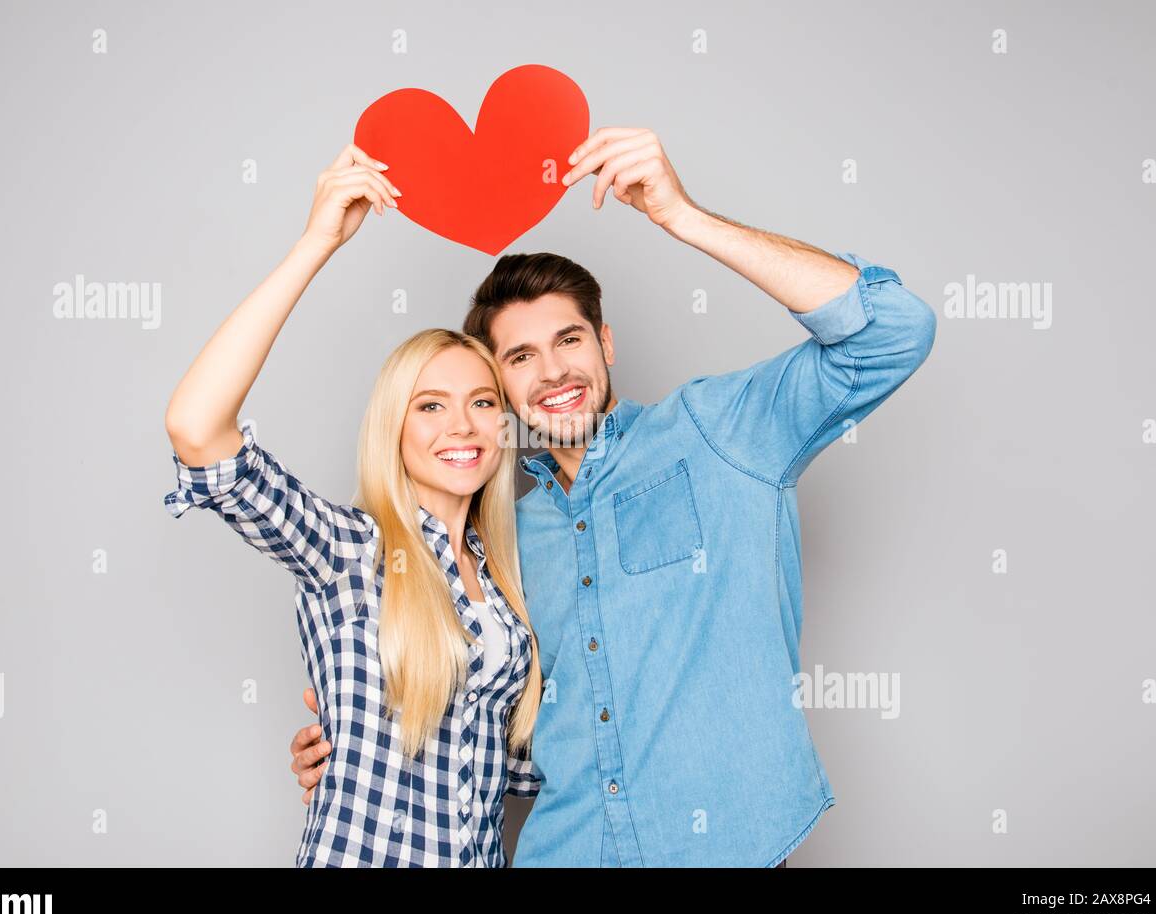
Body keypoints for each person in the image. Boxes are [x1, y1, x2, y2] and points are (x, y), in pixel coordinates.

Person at [290, 126, 938, 866]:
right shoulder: (500, 533)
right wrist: (353, 747)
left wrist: (681, 215)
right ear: (498, 388)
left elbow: (893, 331)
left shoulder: (720, 433)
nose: (554, 371)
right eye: (521, 356)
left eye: (569, 340)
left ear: (607, 343)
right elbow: (478, 711)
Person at [163, 143, 542, 867]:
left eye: (482, 403)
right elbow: (197, 426)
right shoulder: (350, 550)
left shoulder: (507, 588)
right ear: (393, 429)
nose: (461, 426)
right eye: (430, 405)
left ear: (504, 424)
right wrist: (317, 243)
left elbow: (539, 766)